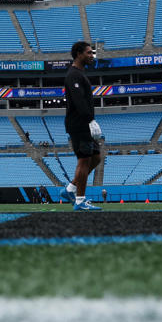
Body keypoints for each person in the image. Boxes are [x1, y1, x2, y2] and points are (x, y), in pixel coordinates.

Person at [60, 41, 102, 211]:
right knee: (84, 160)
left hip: (84, 123)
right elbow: (79, 101)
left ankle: (70, 189)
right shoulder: (73, 75)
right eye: (89, 53)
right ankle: (79, 200)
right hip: (79, 124)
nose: (92, 56)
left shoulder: (80, 74)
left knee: (96, 157)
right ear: (79, 54)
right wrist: (90, 120)